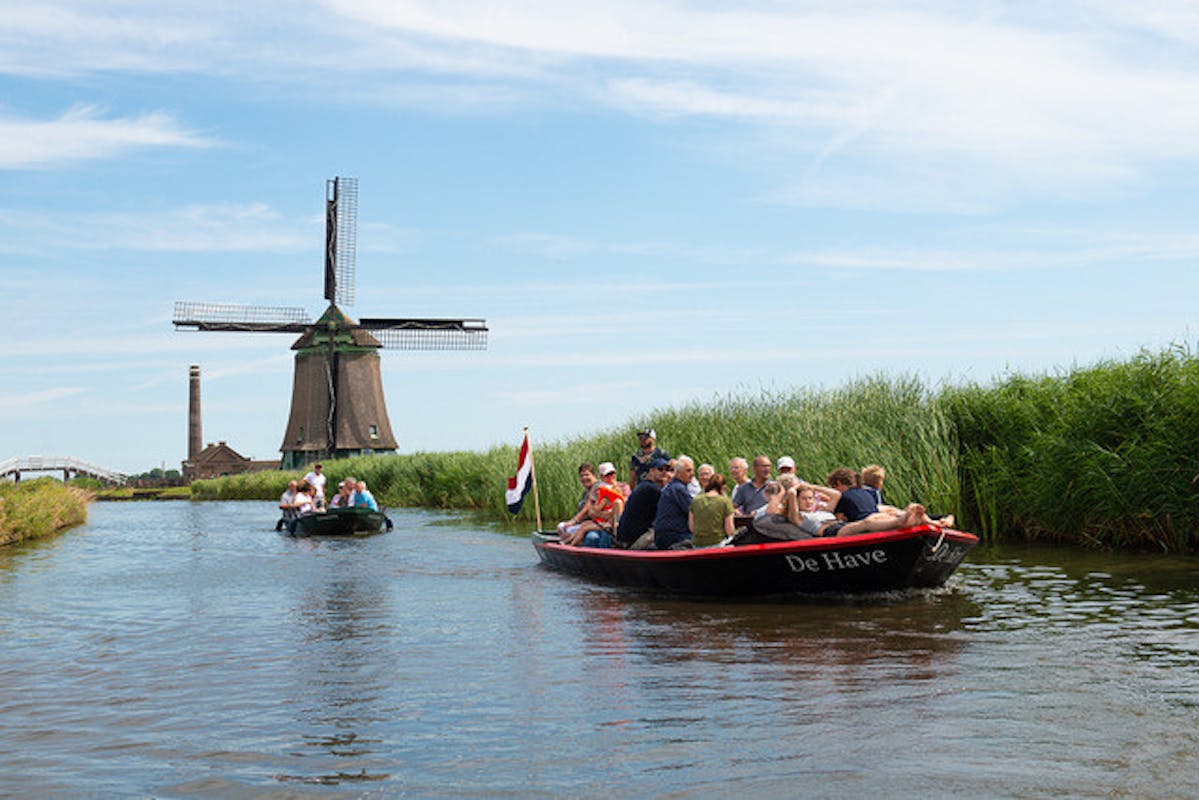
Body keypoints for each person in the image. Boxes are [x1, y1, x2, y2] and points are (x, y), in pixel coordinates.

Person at [561, 464, 626, 548]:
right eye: (607, 475)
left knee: (586, 530)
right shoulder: (600, 491)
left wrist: (600, 513)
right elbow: (592, 512)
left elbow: (618, 512)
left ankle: (570, 545)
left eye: (612, 473)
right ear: (601, 476)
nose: (611, 476)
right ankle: (568, 543)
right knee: (584, 526)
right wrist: (601, 513)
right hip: (602, 522)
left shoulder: (622, 490)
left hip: (610, 525)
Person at [615, 458, 671, 549]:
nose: (664, 472)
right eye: (660, 469)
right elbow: (669, 509)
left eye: (667, 469)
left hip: (626, 538)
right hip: (632, 542)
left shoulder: (643, 485)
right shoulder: (651, 489)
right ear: (651, 471)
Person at [653, 455, 694, 550]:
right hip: (673, 536)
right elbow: (695, 511)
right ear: (678, 473)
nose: (692, 474)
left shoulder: (672, 486)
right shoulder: (679, 489)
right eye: (688, 471)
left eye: (692, 471)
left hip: (664, 535)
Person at [689, 472, 735, 547]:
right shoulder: (725, 502)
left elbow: (692, 528)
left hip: (697, 544)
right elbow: (729, 530)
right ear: (723, 487)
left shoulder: (695, 500)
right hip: (718, 543)